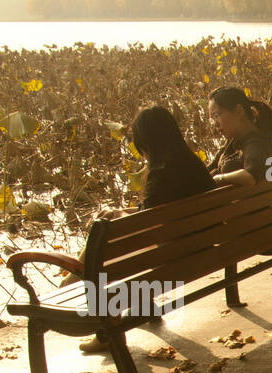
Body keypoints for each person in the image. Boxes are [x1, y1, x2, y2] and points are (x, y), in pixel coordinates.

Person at [79, 105, 215, 353]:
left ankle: (103, 330)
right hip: (204, 248)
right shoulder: (192, 164)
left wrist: (118, 216)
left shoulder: (161, 173)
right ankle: (140, 304)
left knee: (105, 239)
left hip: (173, 258)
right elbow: (154, 214)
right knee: (112, 225)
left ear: (146, 142)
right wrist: (123, 214)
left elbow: (146, 225)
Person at [206, 86, 272, 189]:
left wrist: (220, 178)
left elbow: (250, 177)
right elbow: (210, 168)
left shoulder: (256, 143)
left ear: (239, 111)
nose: (215, 124)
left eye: (217, 115)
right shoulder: (233, 142)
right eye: (213, 119)